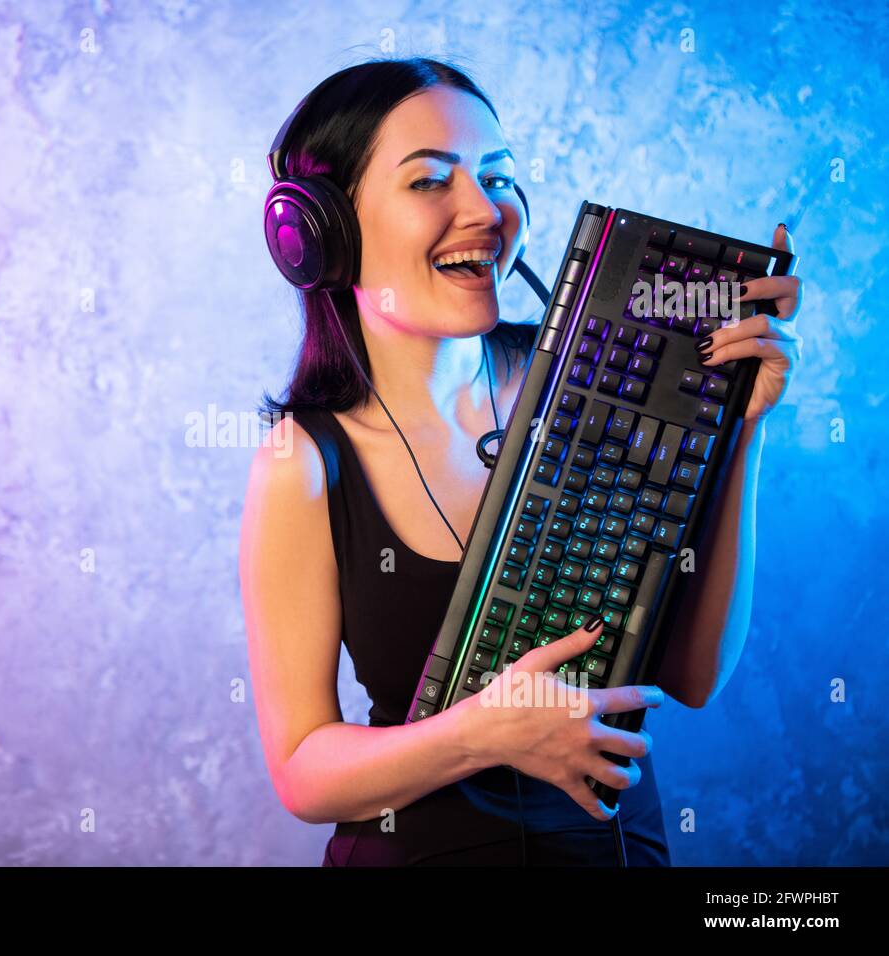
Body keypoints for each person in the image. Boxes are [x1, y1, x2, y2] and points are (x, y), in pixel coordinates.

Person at [238, 57, 803, 865]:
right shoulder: (303, 463)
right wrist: (476, 735)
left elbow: (691, 675)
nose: (483, 211)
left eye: (499, 178)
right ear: (322, 235)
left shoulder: (604, 381)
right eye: (430, 182)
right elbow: (302, 773)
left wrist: (740, 432)